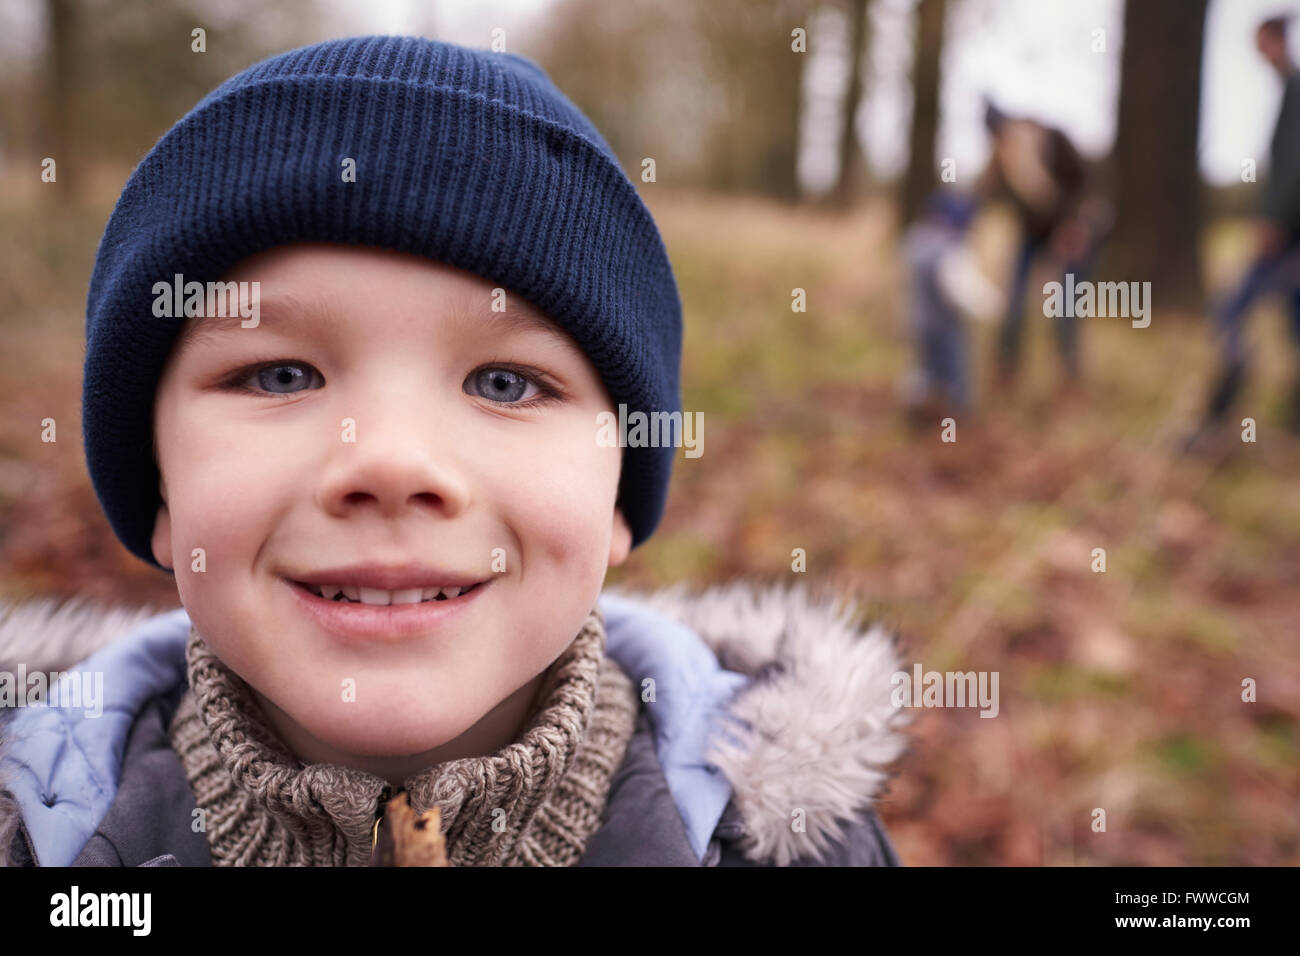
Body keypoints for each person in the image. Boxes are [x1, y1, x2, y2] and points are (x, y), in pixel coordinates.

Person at [0, 36, 909, 867]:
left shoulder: (797, 844)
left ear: (620, 500)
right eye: (279, 375)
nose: (391, 464)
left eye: (504, 384)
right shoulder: (33, 834)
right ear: (159, 491)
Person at [1192, 14, 1300, 440]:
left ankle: (1216, 420)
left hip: (1285, 233)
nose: (1258, 54)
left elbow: (1294, 165)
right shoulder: (1288, 89)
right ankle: (1292, 420)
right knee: (1294, 323)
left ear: (1276, 41)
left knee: (1231, 311)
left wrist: (1275, 220)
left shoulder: (1295, 89)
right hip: (1290, 231)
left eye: (1261, 44)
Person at [977, 99, 1093, 388]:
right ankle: (1006, 368)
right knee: (1013, 299)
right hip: (1032, 235)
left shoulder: (1053, 139)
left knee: (1065, 305)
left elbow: (1085, 184)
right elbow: (983, 195)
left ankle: (1069, 374)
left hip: (1069, 232)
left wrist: (1075, 224)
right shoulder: (1001, 159)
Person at [900, 190, 1002, 419]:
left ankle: (920, 405)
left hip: (919, 321)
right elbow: (961, 289)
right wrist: (991, 305)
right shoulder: (949, 250)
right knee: (955, 367)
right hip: (945, 324)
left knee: (924, 367)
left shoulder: (916, 242)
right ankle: (958, 413)